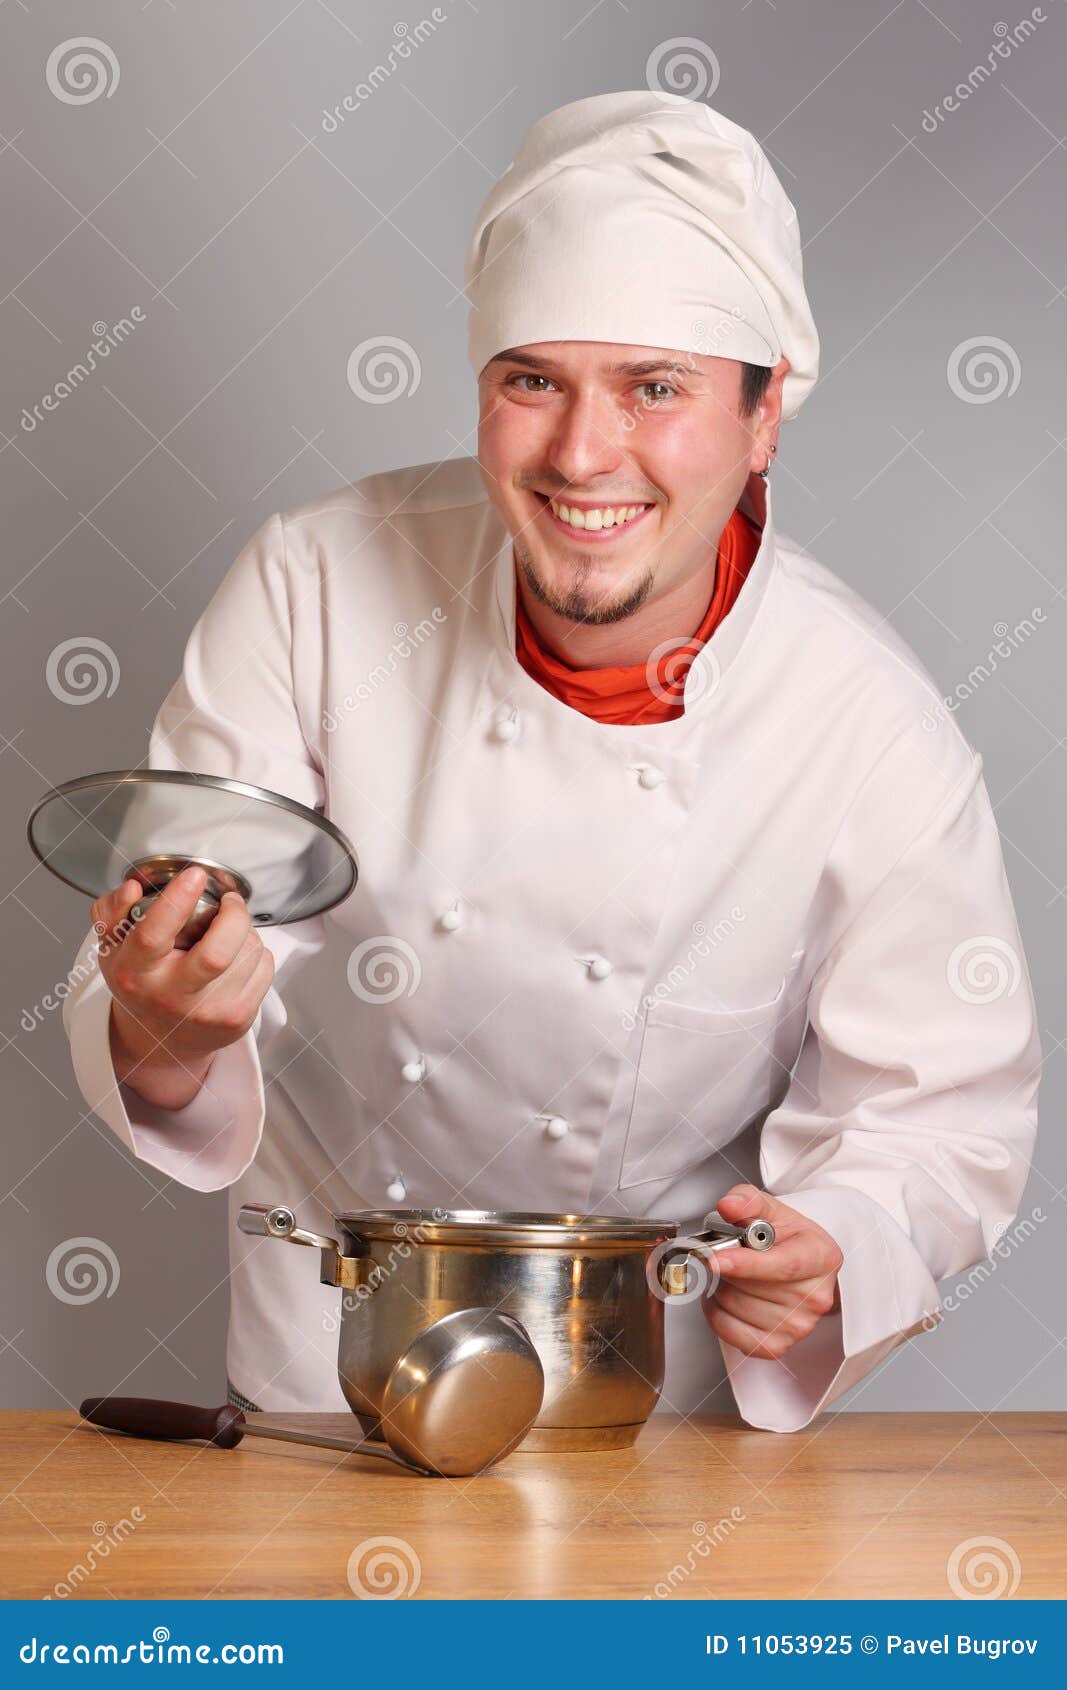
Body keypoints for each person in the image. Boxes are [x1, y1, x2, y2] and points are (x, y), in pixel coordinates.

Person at [63, 91, 1040, 1430]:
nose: (583, 455)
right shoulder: (316, 587)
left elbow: (940, 1113)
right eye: (533, 380)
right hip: (323, 1399)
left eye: (656, 388)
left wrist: (846, 1244)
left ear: (764, 417)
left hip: (656, 1426)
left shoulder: (866, 721)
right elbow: (182, 955)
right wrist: (165, 1022)